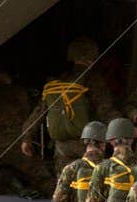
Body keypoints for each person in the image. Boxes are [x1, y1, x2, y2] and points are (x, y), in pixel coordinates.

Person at [23, 36, 115, 171]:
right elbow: (106, 110)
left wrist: (26, 138)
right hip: (88, 144)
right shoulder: (93, 80)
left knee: (64, 185)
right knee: (88, 187)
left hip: (61, 146)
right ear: (93, 56)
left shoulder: (59, 82)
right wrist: (119, 134)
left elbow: (39, 112)